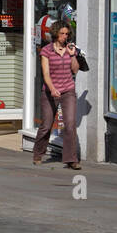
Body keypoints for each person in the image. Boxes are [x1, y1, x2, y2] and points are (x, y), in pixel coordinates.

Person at [34, 21, 83, 169]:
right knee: (46, 125)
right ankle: (38, 153)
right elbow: (46, 74)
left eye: (67, 34)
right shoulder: (47, 51)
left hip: (68, 90)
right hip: (50, 92)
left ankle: (71, 160)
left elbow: (75, 70)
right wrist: (52, 88)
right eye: (62, 33)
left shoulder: (70, 49)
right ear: (55, 33)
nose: (64, 36)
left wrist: (73, 55)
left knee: (70, 124)